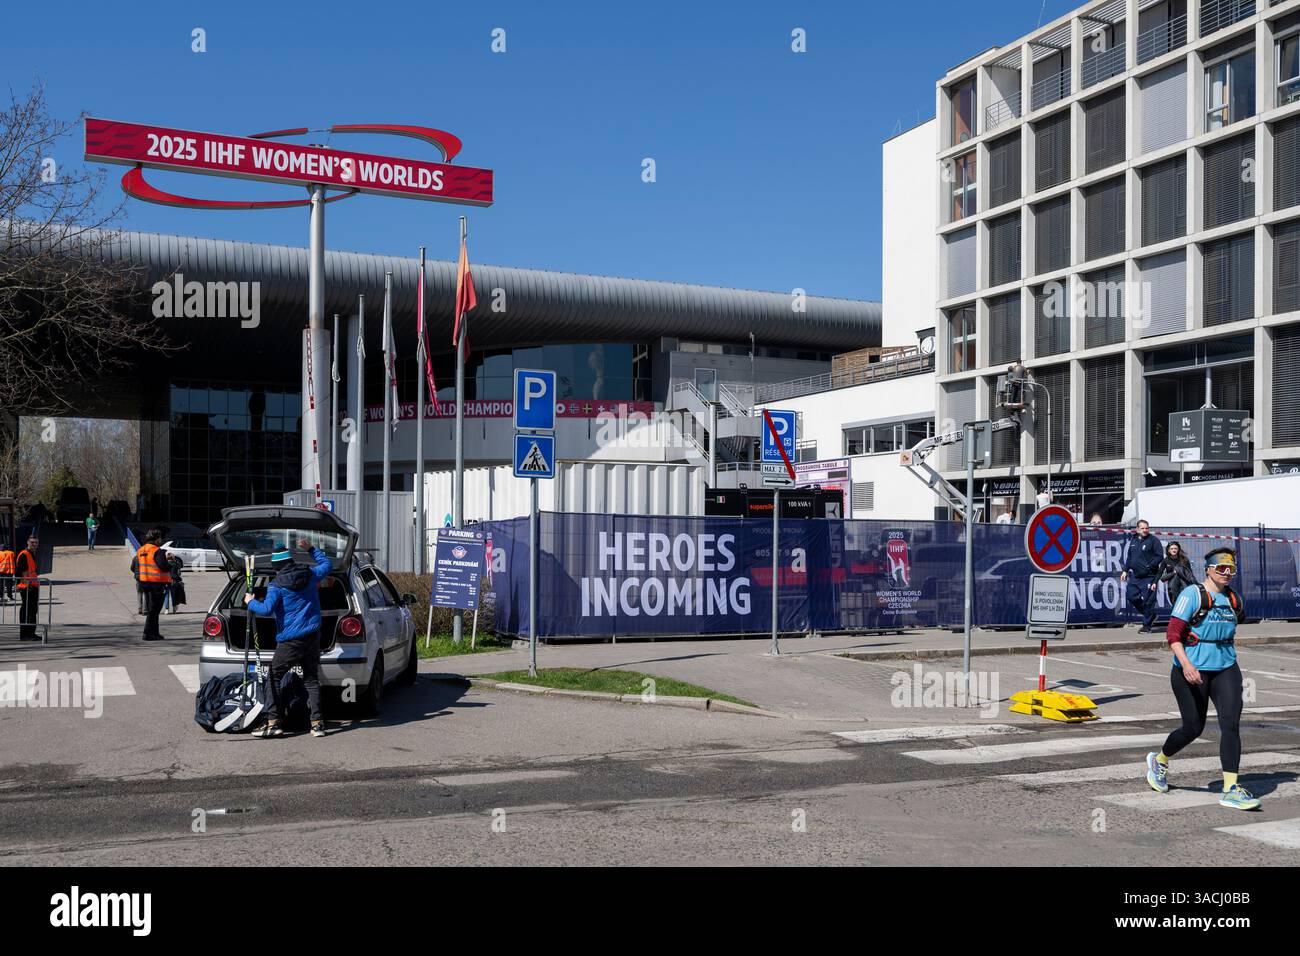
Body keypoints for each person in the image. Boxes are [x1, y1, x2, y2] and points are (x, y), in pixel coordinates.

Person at [1145, 547, 1259, 811]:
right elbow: (1173, 635)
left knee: (1230, 724)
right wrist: (1186, 664)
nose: (1227, 573)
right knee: (1193, 728)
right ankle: (1160, 760)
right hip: (1190, 670)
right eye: (1222, 568)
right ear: (1208, 569)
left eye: (1231, 569)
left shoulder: (1233, 599)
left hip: (1226, 668)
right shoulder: (1192, 594)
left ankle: (1231, 788)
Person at [244, 539, 332, 738]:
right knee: (311, 678)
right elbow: (328, 565)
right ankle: (317, 724)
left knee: (274, 676)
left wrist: (250, 602)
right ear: (291, 562)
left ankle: (273, 721)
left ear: (276, 567)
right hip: (312, 635)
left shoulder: (276, 586)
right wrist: (310, 549)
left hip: (291, 640)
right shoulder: (310, 574)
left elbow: (266, 610)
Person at [1120, 519, 1163, 633]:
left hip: (1149, 576)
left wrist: (1149, 566)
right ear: (1138, 529)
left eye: (1147, 528)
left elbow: (1159, 556)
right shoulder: (1133, 539)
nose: (1145, 530)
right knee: (1131, 596)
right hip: (1135, 576)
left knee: (1149, 601)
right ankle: (1150, 615)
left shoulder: (1154, 541)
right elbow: (1130, 557)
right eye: (1142, 528)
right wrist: (1125, 570)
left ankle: (1146, 626)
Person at [131, 528, 171, 641]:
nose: (161, 540)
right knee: (154, 610)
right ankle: (147, 633)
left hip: (144, 583)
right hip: (157, 583)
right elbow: (163, 567)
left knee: (152, 609)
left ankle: (155, 633)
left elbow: (135, 567)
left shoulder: (141, 550)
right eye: (160, 538)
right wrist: (170, 563)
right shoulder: (157, 550)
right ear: (157, 539)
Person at [15, 536, 41, 641]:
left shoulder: (32, 554)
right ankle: (26, 634)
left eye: (36, 543)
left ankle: (31, 633)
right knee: (27, 610)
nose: (34, 544)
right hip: (27, 587)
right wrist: (28, 585)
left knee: (32, 610)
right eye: (32, 542)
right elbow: (21, 573)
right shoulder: (24, 554)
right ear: (28, 542)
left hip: (33, 586)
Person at [1158, 541, 1196, 606]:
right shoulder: (1166, 560)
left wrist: (1194, 584)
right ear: (1168, 550)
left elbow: (1190, 573)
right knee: (1175, 604)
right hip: (1172, 587)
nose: (1174, 550)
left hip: (1183, 585)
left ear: (1178, 550)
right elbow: (1162, 578)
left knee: (1184, 604)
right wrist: (1173, 573)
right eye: (1172, 549)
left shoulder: (1184, 560)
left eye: (1175, 548)